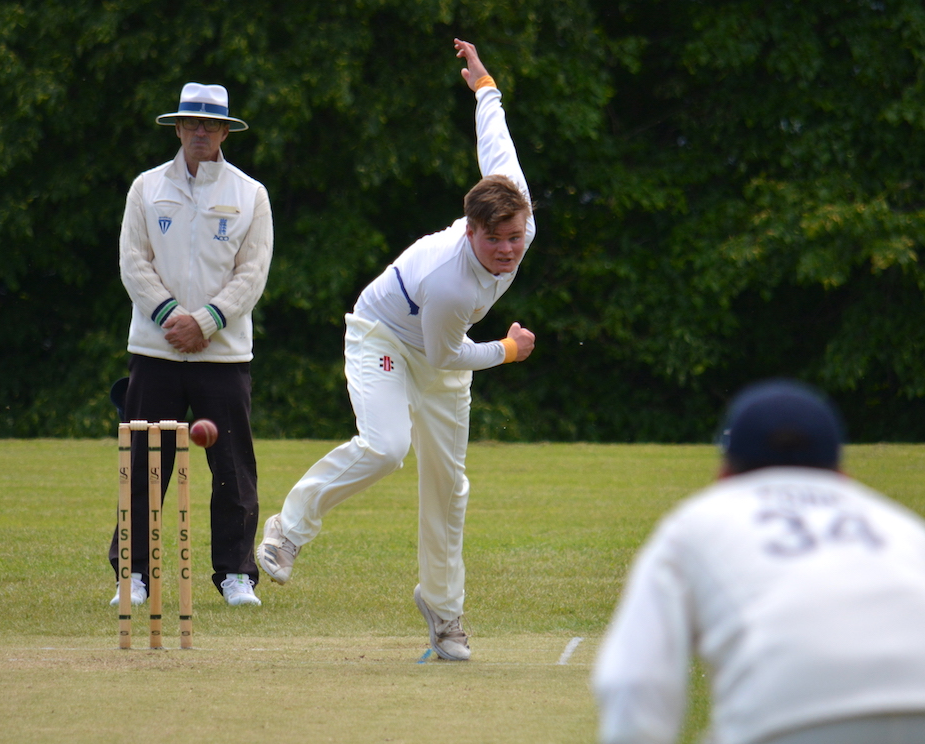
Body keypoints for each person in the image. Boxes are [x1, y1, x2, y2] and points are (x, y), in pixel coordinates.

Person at [256, 38, 536, 661]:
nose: (510, 251)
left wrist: (485, 87)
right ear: (471, 232)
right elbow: (447, 356)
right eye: (496, 243)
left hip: (441, 347)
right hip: (387, 333)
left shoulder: (517, 211)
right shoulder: (450, 280)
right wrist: (509, 353)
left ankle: (444, 617)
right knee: (386, 447)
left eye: (516, 238)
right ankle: (287, 530)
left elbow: (498, 145)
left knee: (449, 487)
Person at [593, 379, 925, 744]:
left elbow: (634, 681)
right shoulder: (901, 525)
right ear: (842, 475)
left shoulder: (696, 521)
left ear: (724, 474)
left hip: (784, 717)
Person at [108, 82, 274, 608]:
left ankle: (235, 574)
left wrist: (205, 321)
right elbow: (133, 262)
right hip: (155, 350)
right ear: (177, 128)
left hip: (222, 354)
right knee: (142, 462)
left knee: (231, 468)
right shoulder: (146, 188)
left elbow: (252, 274)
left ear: (226, 130)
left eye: (211, 123)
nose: (200, 131)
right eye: (191, 122)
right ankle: (132, 575)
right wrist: (168, 317)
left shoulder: (250, 194)